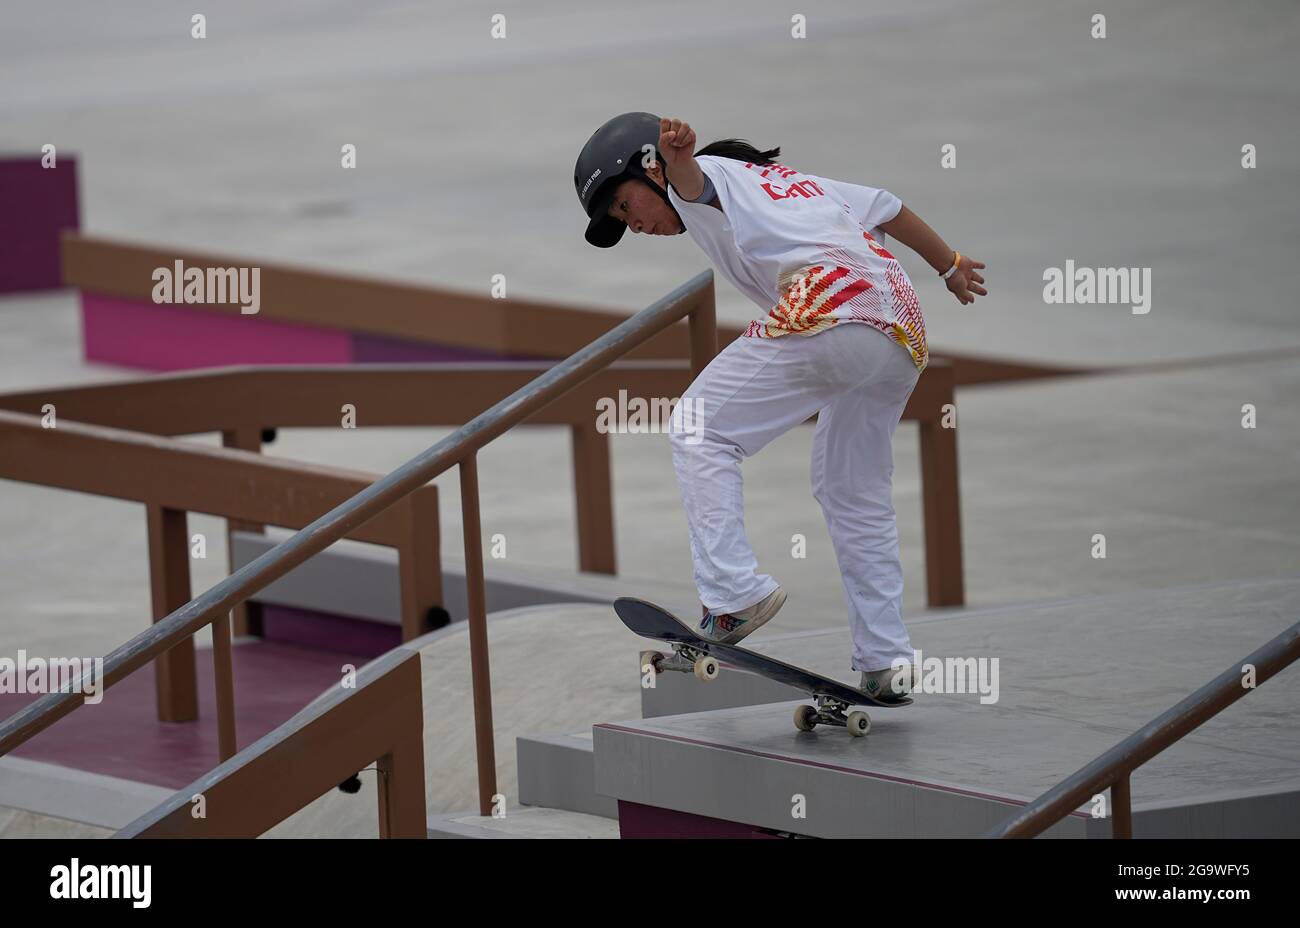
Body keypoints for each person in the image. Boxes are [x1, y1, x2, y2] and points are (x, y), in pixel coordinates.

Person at [574, 112, 986, 699]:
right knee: (852, 487)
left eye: (623, 208)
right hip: (899, 325)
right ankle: (886, 657)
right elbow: (887, 205)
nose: (633, 225)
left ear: (648, 168)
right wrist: (948, 263)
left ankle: (733, 592)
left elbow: (691, 182)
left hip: (832, 302)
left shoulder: (695, 180)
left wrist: (680, 156)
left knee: (698, 427)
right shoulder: (790, 184)